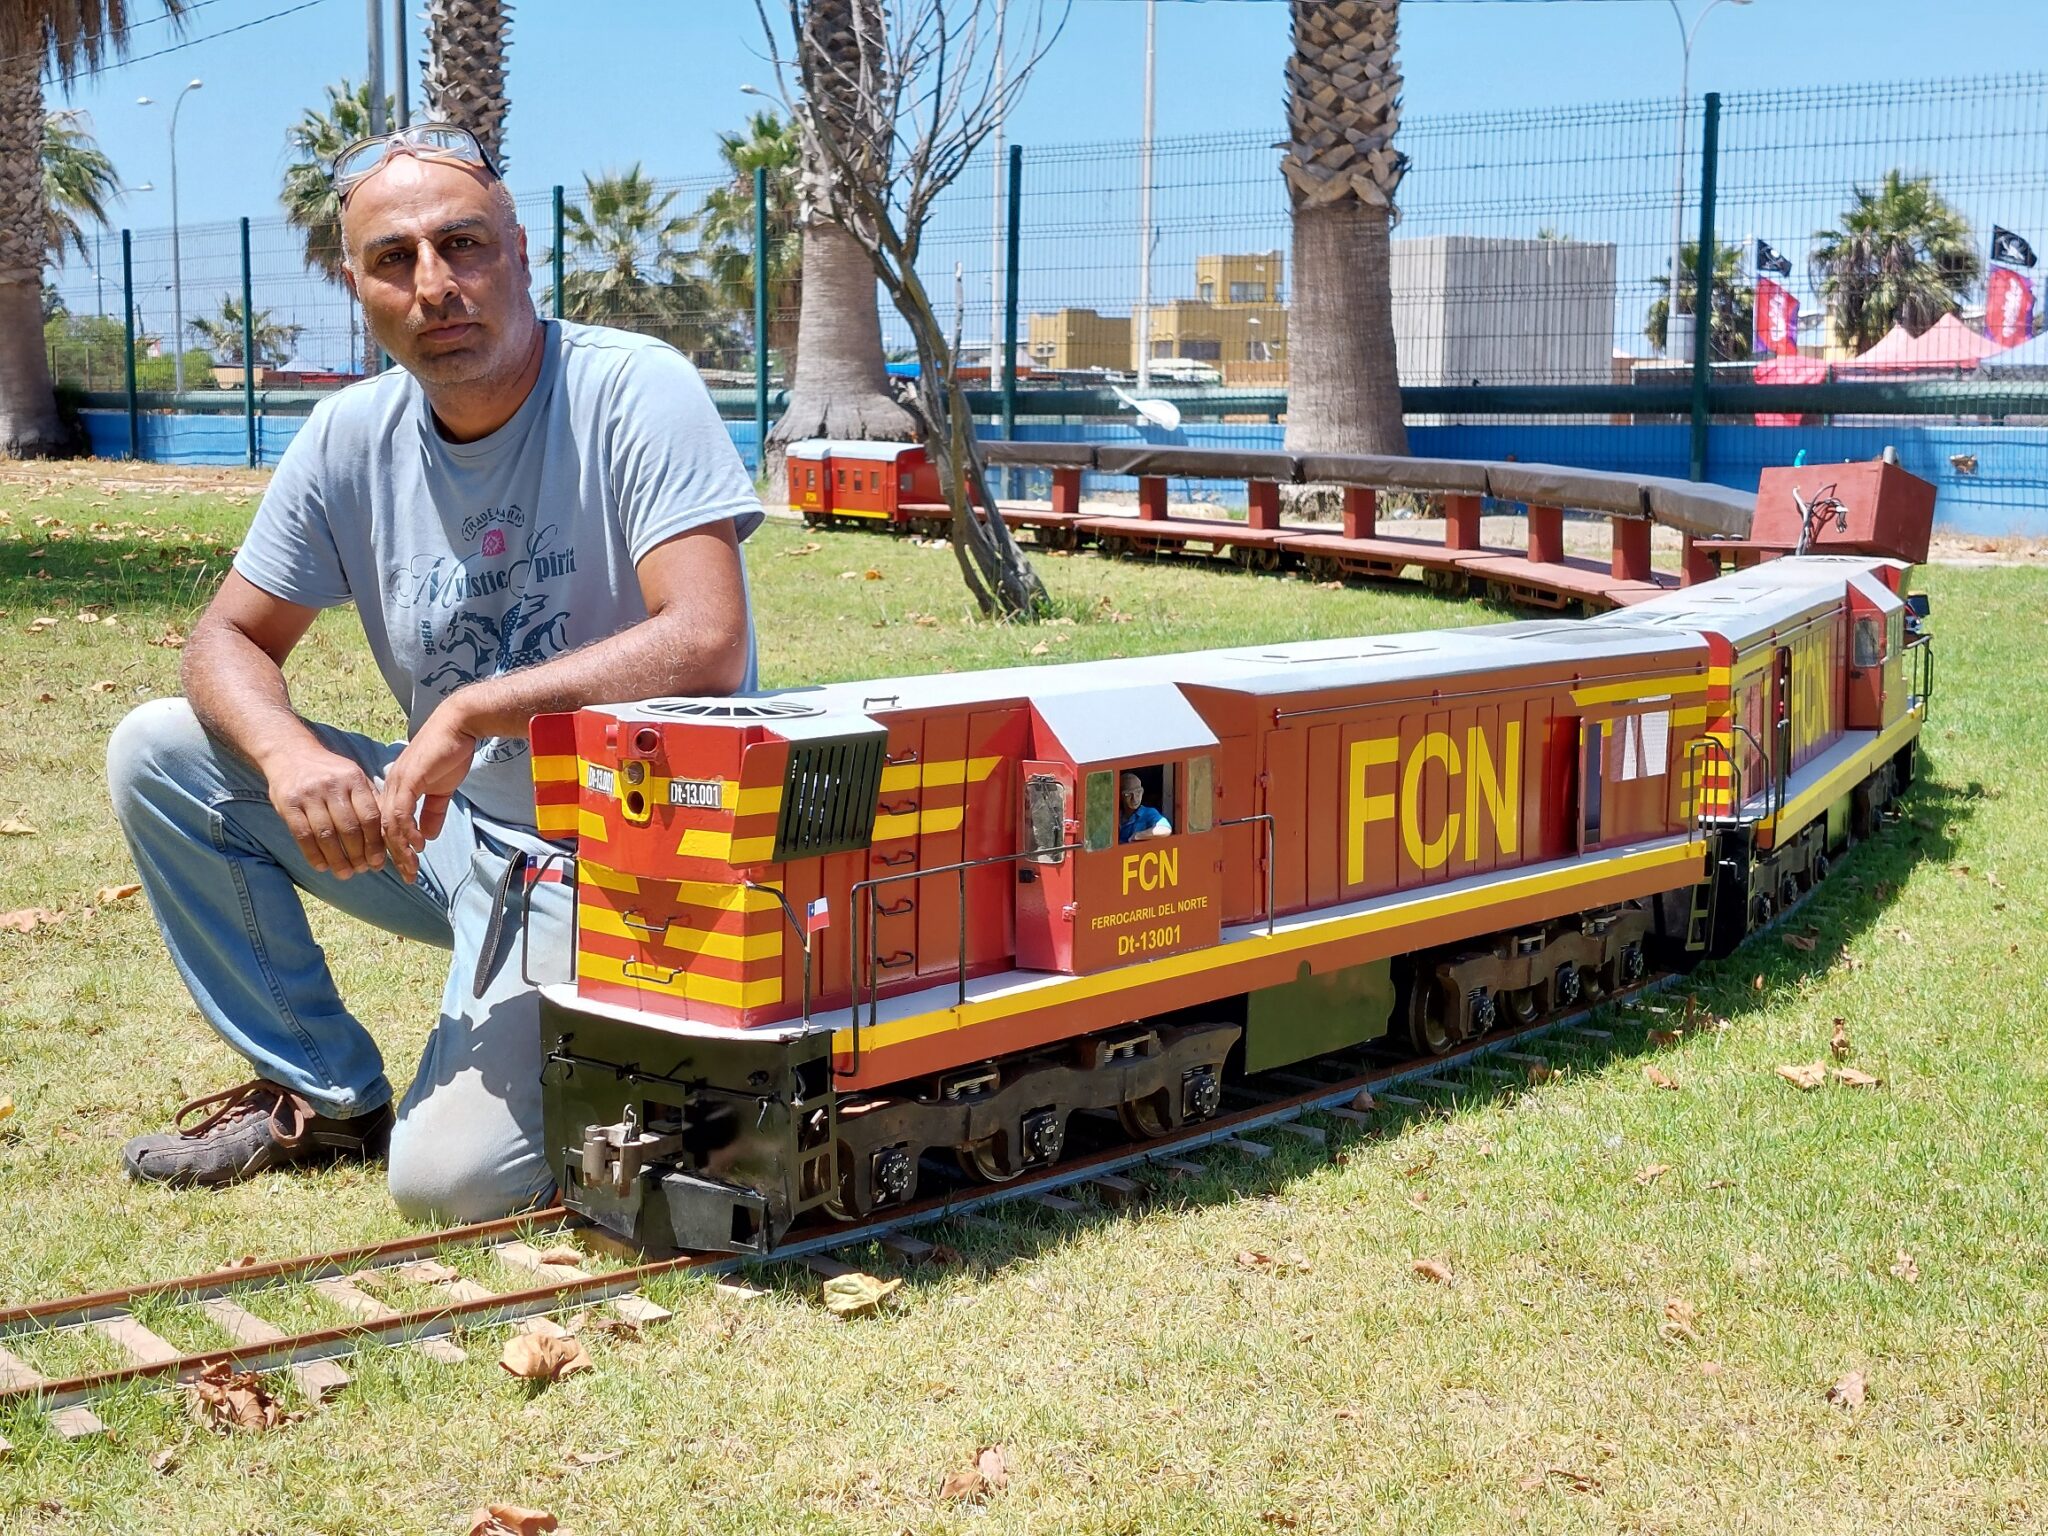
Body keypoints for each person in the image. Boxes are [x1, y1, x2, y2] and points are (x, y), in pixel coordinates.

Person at [105, 124, 762, 1222]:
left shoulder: (631, 390)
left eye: (462, 246)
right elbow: (226, 639)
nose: (435, 285)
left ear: (519, 253)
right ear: (356, 285)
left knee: (447, 1187)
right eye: (394, 260)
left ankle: (628, 1043)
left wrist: (473, 707)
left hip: (630, 857)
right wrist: (286, 754)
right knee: (162, 750)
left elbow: (705, 638)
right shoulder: (347, 437)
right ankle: (324, 1095)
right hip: (448, 836)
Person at [1117, 772, 1173, 843]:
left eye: (1138, 792)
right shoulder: (1116, 816)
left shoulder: (1148, 813)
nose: (1134, 799)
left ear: (1142, 791)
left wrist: (1137, 836)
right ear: (1120, 796)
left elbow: (1166, 829)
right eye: (1128, 794)